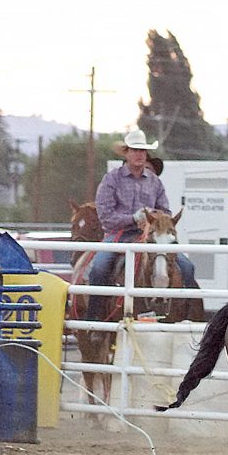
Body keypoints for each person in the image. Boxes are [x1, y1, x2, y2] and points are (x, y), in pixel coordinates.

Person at [87, 130, 198, 322]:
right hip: (119, 236)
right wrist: (132, 218)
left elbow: (166, 212)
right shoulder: (112, 179)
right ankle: (95, 320)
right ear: (126, 153)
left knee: (187, 268)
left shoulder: (155, 182)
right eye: (134, 150)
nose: (139, 154)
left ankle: (185, 317)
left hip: (152, 237)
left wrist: (155, 218)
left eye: (142, 151)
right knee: (99, 267)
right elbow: (105, 216)